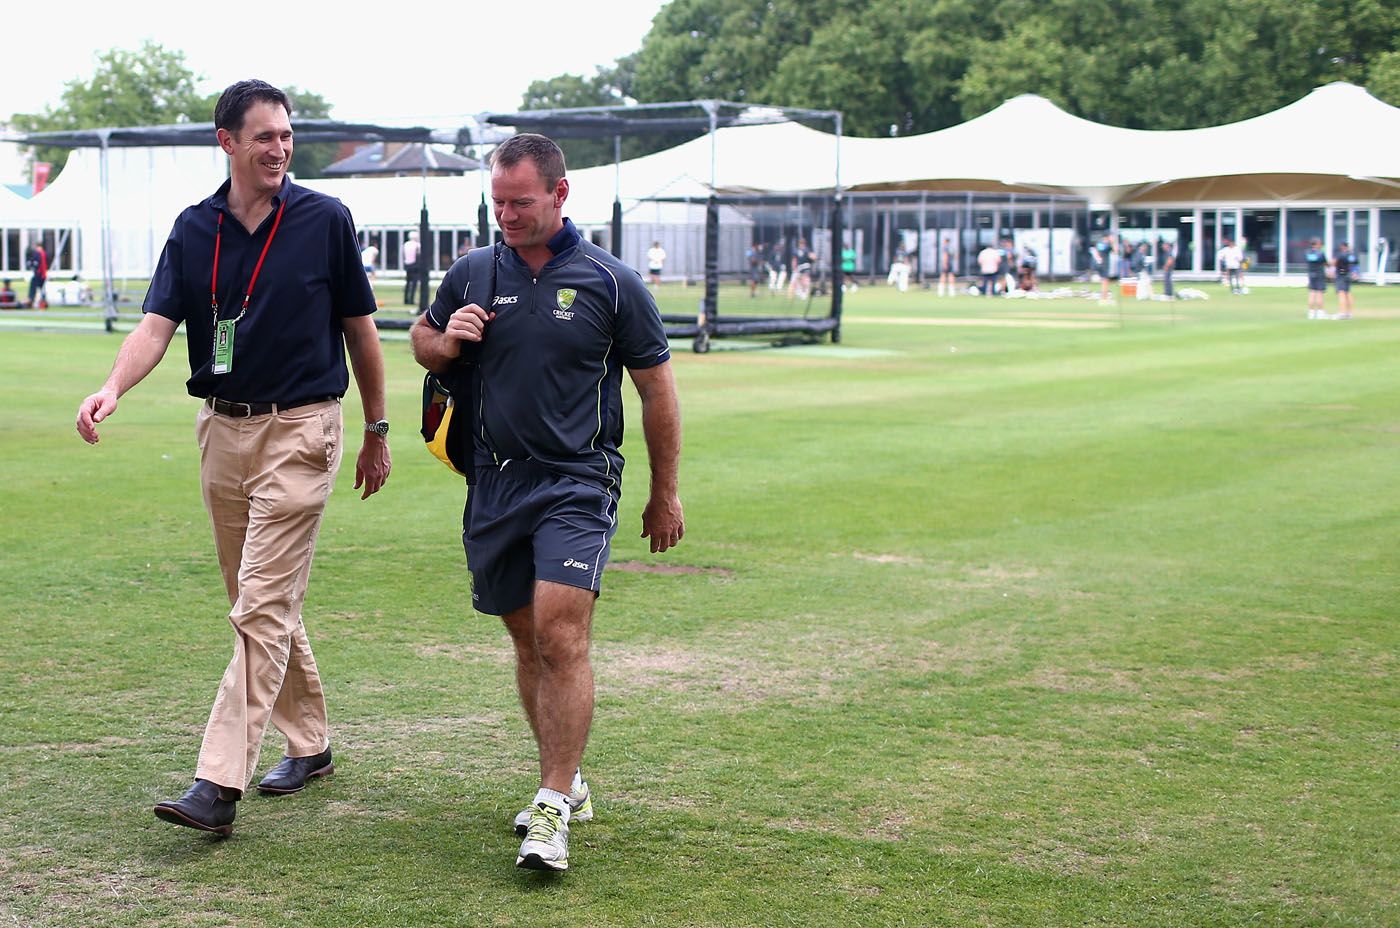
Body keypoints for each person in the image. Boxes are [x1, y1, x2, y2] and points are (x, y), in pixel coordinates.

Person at [74, 79, 392, 838]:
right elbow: (156, 326)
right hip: (221, 431)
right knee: (260, 603)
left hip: (302, 431)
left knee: (260, 605)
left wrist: (377, 430)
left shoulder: (324, 219)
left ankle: (217, 783)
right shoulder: (194, 229)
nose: (280, 148)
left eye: (287, 135)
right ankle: (310, 745)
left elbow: (361, 330)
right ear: (227, 141)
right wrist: (112, 387)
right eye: (264, 137)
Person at [409, 133, 683, 873]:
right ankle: (570, 777)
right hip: (493, 481)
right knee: (528, 639)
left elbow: (657, 391)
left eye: (520, 202)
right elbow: (423, 340)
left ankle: (552, 803)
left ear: (561, 194)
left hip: (577, 481)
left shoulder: (612, 282)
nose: (506, 215)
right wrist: (447, 340)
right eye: (497, 203)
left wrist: (664, 493)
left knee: (561, 635)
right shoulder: (473, 270)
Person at [1333, 241, 1359, 318]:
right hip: (1348, 274)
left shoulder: (1341, 255)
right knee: (1348, 293)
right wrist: (1355, 273)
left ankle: (1342, 312)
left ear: (1342, 246)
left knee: (1341, 293)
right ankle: (1349, 312)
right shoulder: (1351, 255)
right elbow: (1356, 264)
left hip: (1341, 274)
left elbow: (1335, 263)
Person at [1305, 237, 1328, 318]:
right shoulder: (1320, 253)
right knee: (1319, 293)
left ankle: (1311, 312)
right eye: (1320, 243)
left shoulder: (1308, 253)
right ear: (1316, 244)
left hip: (1311, 274)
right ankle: (1320, 312)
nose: (1321, 245)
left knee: (1312, 293)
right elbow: (1326, 263)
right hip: (1319, 274)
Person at [1092, 233, 1116, 302]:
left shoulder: (1099, 243)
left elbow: (1095, 251)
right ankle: (1104, 297)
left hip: (1099, 263)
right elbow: (1115, 251)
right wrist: (1113, 242)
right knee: (1105, 281)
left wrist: (1098, 259)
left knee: (1103, 280)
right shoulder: (1108, 244)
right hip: (1105, 264)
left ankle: (1103, 296)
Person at [25, 240, 48, 309]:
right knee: (42, 289)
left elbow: (36, 263)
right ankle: (43, 301)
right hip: (43, 274)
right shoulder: (44, 253)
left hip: (39, 273)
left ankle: (31, 300)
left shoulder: (38, 253)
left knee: (33, 286)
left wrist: (30, 264)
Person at [403, 230, 422, 306]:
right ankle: (411, 299)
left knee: (408, 283)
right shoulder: (417, 245)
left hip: (407, 265)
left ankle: (406, 299)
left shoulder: (405, 244)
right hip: (415, 266)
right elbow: (419, 255)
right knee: (414, 283)